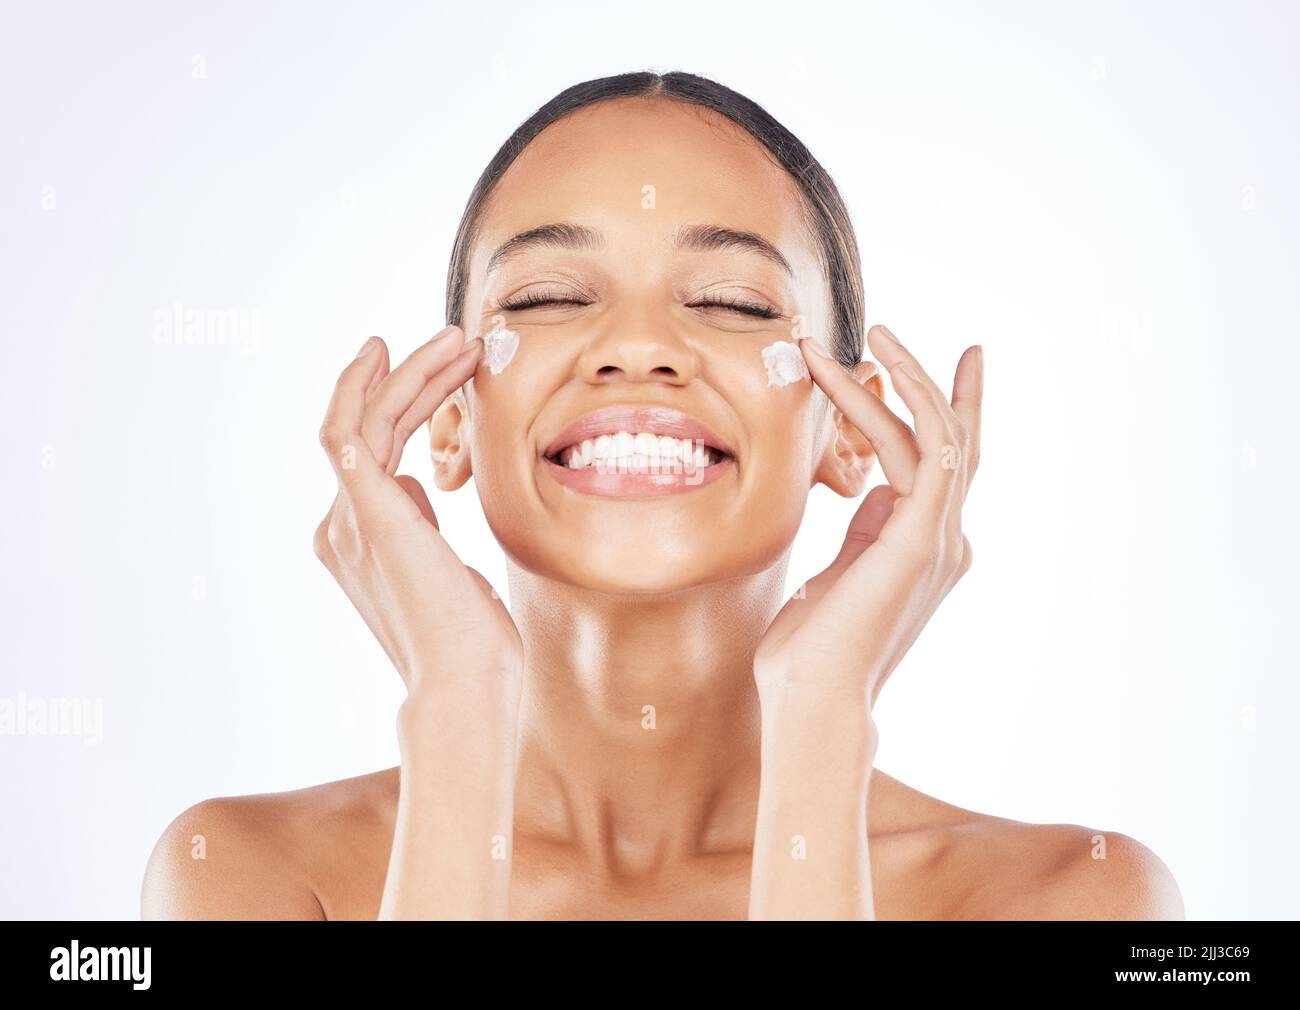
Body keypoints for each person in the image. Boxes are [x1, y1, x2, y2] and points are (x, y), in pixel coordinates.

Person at [142, 71, 1183, 920]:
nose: (637, 347)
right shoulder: (247, 876)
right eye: (549, 296)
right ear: (449, 417)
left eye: (730, 302)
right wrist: (455, 703)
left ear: (850, 430)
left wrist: (822, 718)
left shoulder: (1077, 900)